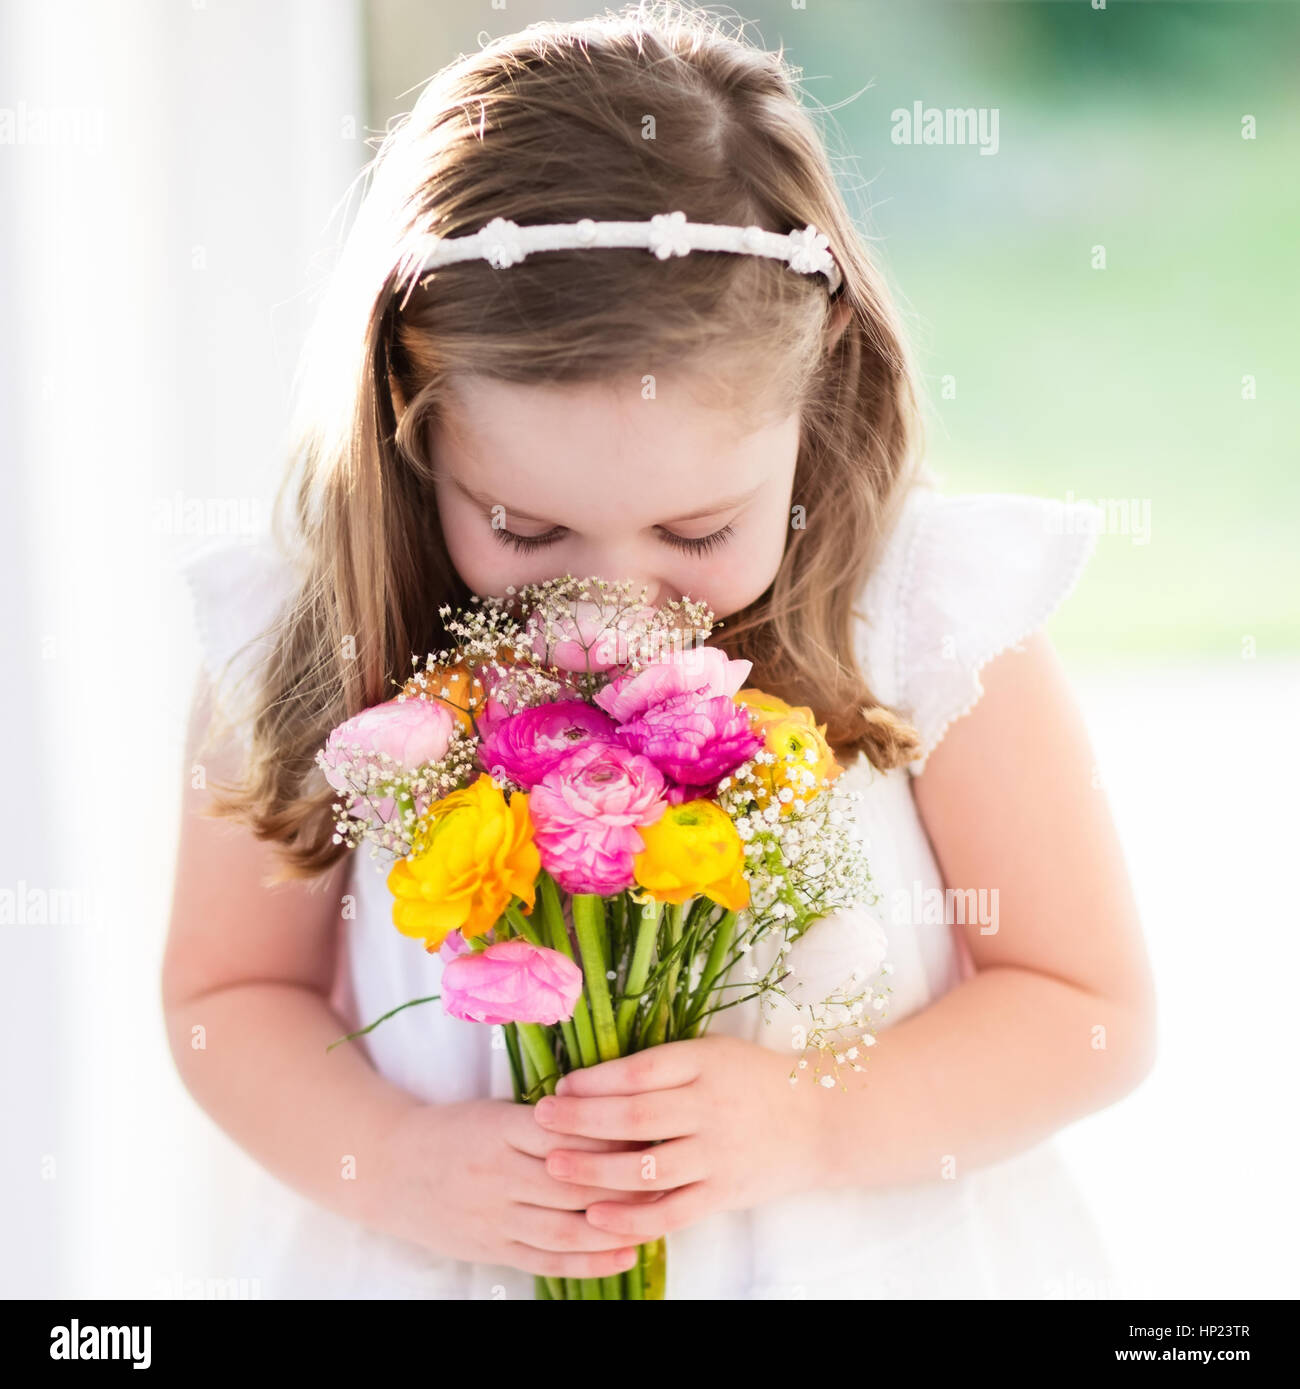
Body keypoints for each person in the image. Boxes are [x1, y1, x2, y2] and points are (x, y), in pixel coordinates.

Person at [164, 3, 1156, 1299]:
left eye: (698, 526)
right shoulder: (313, 634)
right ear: (407, 417)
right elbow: (226, 993)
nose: (616, 598)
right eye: (526, 526)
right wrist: (399, 1156)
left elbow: (1089, 1007)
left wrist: (815, 1119)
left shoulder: (925, 622)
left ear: (819, 387)